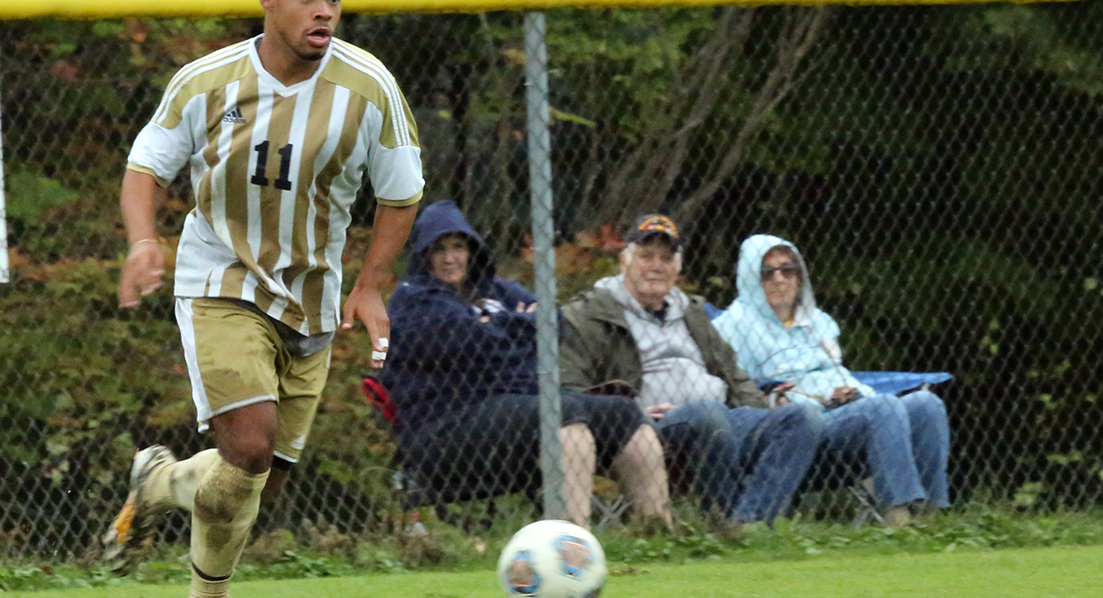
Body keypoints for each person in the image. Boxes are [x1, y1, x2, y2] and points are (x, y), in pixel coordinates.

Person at [103, 0, 424, 598]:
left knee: (257, 481)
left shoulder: (368, 88)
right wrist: (141, 242)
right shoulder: (207, 82)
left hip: (311, 299)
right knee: (246, 448)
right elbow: (144, 167)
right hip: (220, 281)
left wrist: (369, 285)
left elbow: (401, 194)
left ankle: (158, 481)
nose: (324, 13)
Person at [379, 201, 672, 530]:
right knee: (562, 412)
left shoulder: (495, 290)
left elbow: (554, 325)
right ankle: (572, 541)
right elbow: (474, 344)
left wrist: (499, 323)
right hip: (445, 427)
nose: (450, 258)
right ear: (423, 254)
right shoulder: (414, 300)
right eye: (439, 249)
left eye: (458, 247)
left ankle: (658, 530)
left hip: (512, 410)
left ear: (472, 249)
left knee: (624, 413)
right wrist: (520, 326)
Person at [559, 215, 821, 527]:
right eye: (646, 256)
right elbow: (569, 390)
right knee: (706, 413)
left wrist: (763, 414)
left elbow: (735, 377)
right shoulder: (588, 314)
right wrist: (630, 413)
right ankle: (721, 521)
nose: (656, 266)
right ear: (624, 262)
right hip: (649, 428)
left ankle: (750, 526)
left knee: (801, 417)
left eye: (666, 258)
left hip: (724, 417)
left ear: (678, 267)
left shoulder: (691, 312)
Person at [714, 235, 950, 526]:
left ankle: (932, 517)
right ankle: (898, 516)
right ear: (750, 277)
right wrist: (787, 398)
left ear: (799, 276)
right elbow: (735, 392)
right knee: (885, 406)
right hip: (802, 429)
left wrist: (853, 393)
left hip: (850, 414)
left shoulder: (817, 321)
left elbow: (838, 372)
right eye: (767, 272)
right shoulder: (732, 327)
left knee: (926, 404)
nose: (779, 279)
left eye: (788, 270)